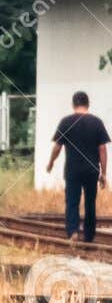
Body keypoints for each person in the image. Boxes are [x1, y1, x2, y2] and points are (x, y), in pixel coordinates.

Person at [46, 90, 110, 243]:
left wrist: (51, 163)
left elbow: (57, 147)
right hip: (91, 170)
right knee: (90, 202)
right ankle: (89, 236)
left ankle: (73, 231)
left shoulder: (66, 122)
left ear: (73, 104)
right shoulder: (97, 122)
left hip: (72, 170)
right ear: (88, 104)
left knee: (72, 201)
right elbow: (102, 149)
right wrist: (103, 173)